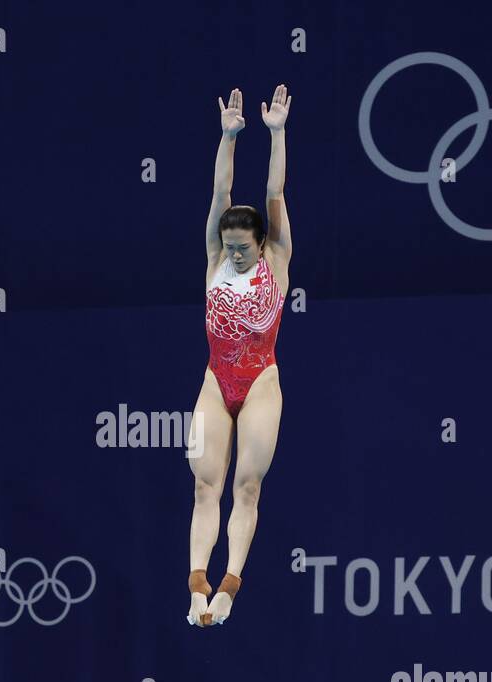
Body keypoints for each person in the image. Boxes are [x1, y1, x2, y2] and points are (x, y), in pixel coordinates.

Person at [187, 85, 292, 627]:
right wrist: (228, 138)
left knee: (245, 486)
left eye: (240, 246)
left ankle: (230, 584)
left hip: (260, 384)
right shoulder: (216, 254)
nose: (232, 252)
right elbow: (219, 191)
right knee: (205, 485)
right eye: (227, 245)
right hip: (214, 380)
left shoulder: (275, 254)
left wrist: (275, 134)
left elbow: (275, 191)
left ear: (261, 242)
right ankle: (197, 584)